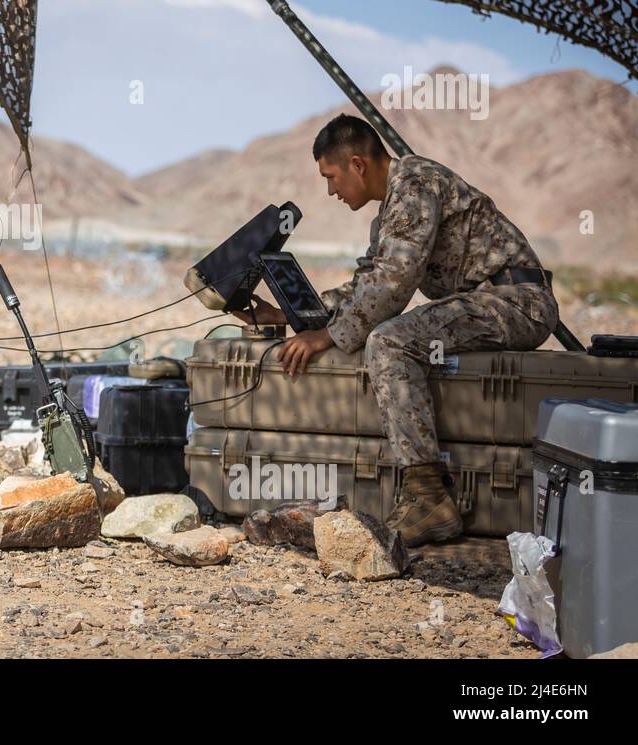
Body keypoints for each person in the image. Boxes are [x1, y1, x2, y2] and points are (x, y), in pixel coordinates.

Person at [235, 114, 558, 546]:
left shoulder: (415, 185)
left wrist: (328, 336)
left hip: (519, 303)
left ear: (357, 164)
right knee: (387, 333)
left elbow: (394, 283)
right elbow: (368, 283)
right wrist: (290, 317)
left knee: (388, 342)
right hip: (488, 300)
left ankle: (428, 499)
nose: (330, 191)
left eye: (331, 177)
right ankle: (427, 494)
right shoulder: (392, 206)